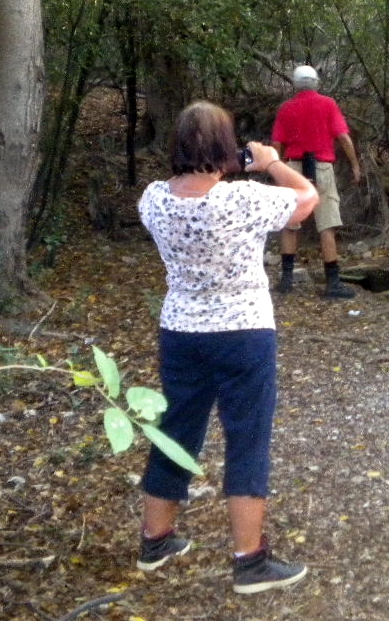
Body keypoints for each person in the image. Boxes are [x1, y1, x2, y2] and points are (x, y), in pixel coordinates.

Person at [135, 100, 318, 594]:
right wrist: (270, 160)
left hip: (181, 332)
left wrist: (228, 167)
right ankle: (250, 561)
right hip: (243, 332)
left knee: (176, 430)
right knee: (247, 438)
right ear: (224, 147)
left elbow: (189, 197)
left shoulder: (153, 199)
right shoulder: (242, 199)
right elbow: (306, 198)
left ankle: (156, 540)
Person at [271, 64, 362, 298]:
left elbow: (276, 145)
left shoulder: (286, 108)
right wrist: (354, 165)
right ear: (316, 82)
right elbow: (343, 137)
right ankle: (332, 283)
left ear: (295, 84)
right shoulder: (327, 104)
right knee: (326, 225)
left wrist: (277, 168)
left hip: (292, 168)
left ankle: (287, 281)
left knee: (290, 224)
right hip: (321, 168)